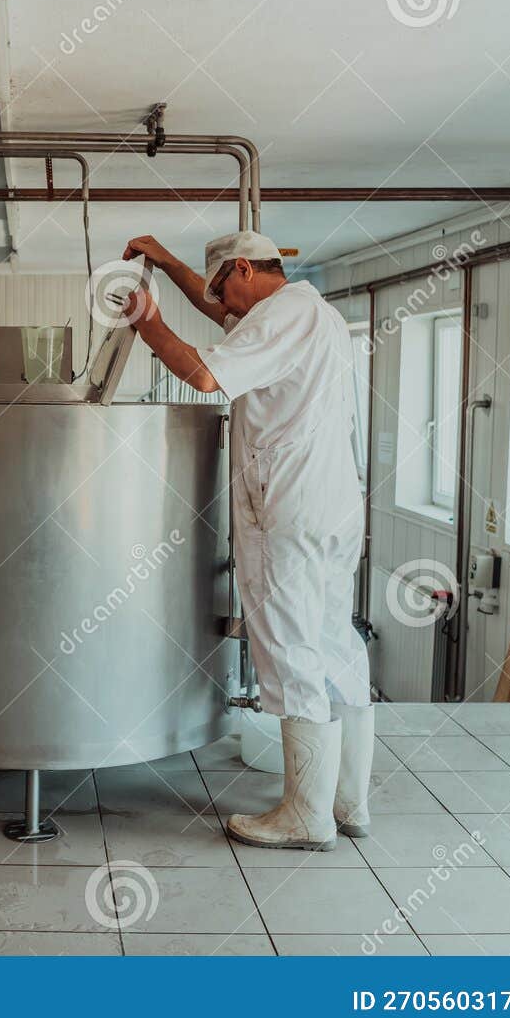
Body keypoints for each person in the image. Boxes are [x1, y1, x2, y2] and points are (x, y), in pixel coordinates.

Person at [120, 230, 373, 851]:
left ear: (242, 268)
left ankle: (305, 818)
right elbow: (223, 316)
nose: (225, 309)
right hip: (333, 507)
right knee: (335, 644)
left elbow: (205, 376)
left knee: (290, 651)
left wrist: (146, 322)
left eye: (225, 291)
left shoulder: (284, 315)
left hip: (288, 509)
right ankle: (348, 802)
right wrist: (167, 262)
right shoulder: (314, 312)